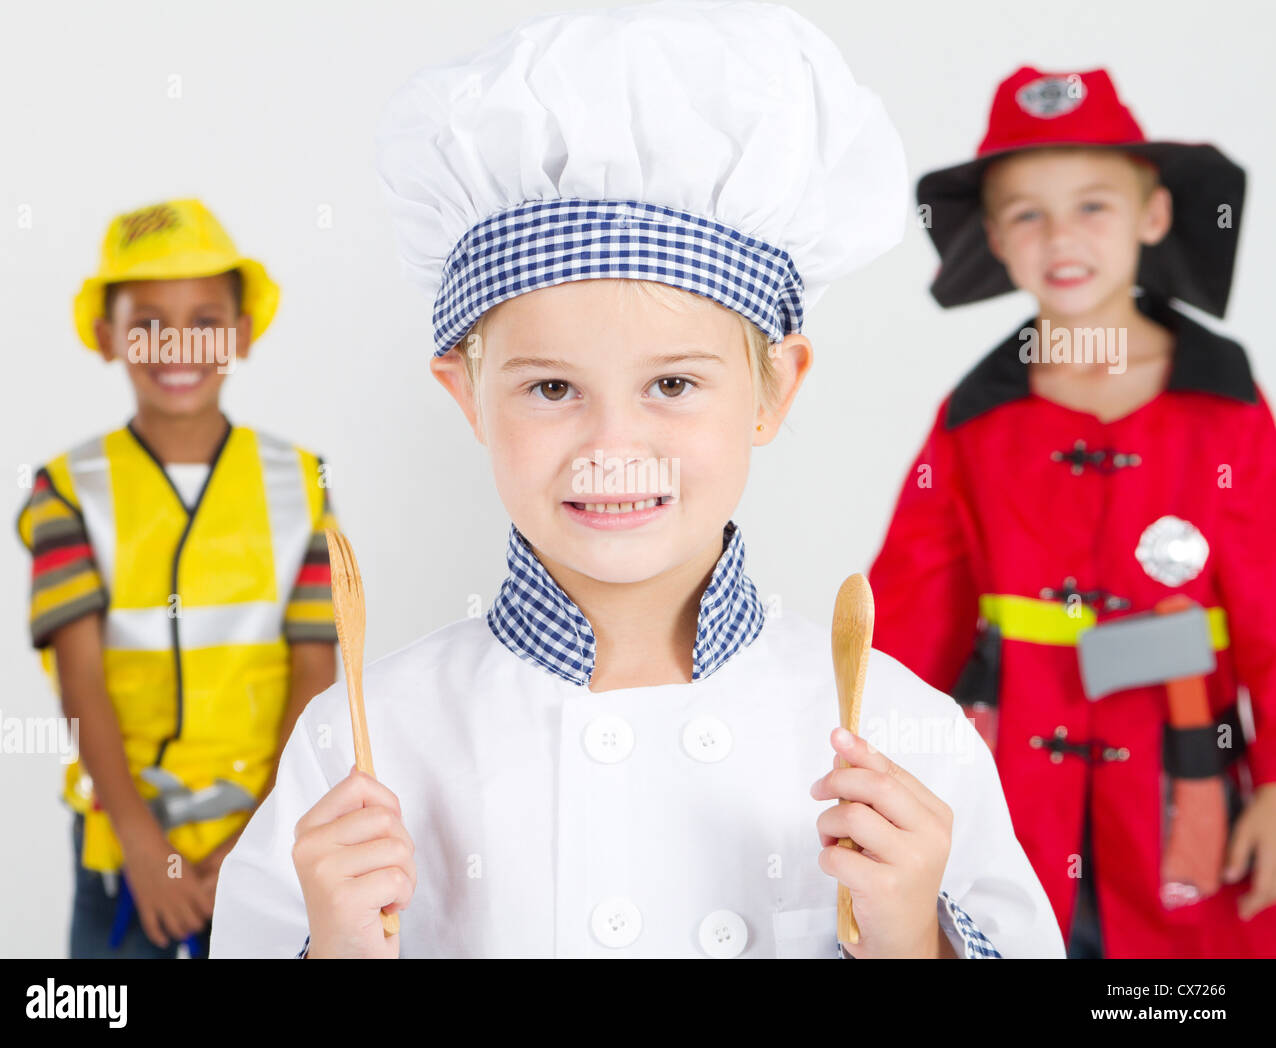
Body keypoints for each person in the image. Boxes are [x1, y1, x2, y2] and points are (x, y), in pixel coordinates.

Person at [209, 0, 1065, 959]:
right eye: (550, 387)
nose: (613, 443)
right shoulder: (363, 740)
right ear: (468, 397)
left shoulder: (897, 729)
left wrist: (916, 939)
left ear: (773, 391)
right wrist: (334, 948)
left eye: (672, 383)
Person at [868, 67, 1276, 957]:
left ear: (1154, 218)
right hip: (1015, 760)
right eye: (1026, 213)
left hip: (1180, 760)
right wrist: (876, 767)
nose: (1061, 237)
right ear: (996, 240)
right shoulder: (975, 417)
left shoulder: (1227, 403)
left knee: (1186, 977)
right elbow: (911, 608)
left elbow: (1270, 603)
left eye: (1093, 205)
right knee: (1016, 927)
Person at [17, 198, 340, 957]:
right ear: (107, 336)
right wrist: (139, 842)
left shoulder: (300, 483)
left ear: (243, 332)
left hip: (268, 836)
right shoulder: (68, 489)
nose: (178, 343)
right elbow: (81, 677)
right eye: (148, 320)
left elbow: (315, 671)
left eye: (204, 317)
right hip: (122, 851)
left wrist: (254, 844)